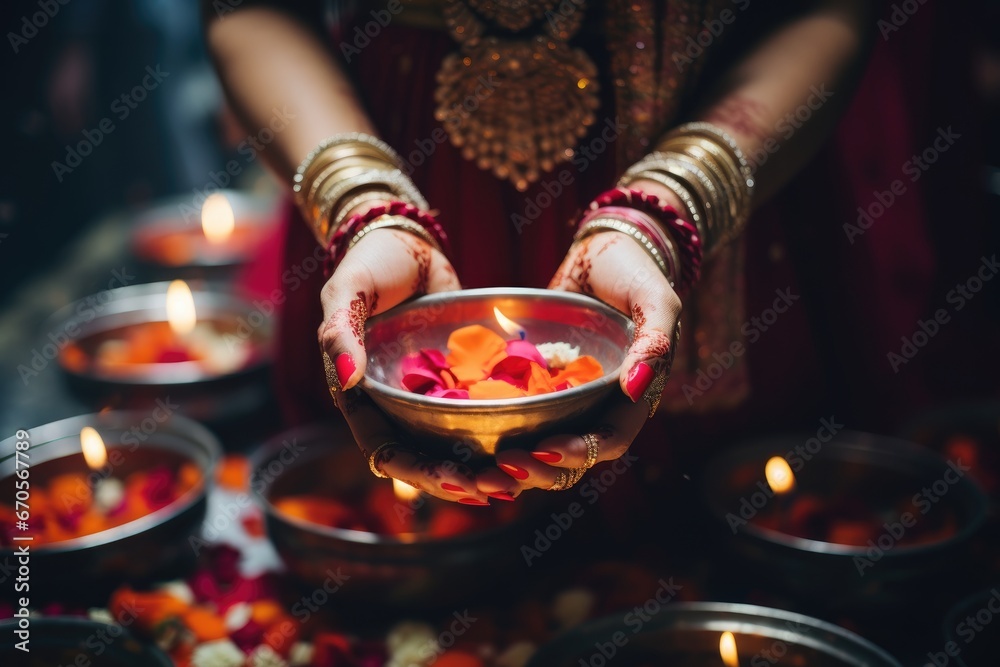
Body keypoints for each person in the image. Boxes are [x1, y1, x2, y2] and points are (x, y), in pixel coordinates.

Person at [204, 0, 874, 504]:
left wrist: (666, 212)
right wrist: (365, 207)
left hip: (730, 125)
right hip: (375, 129)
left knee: (716, 528)